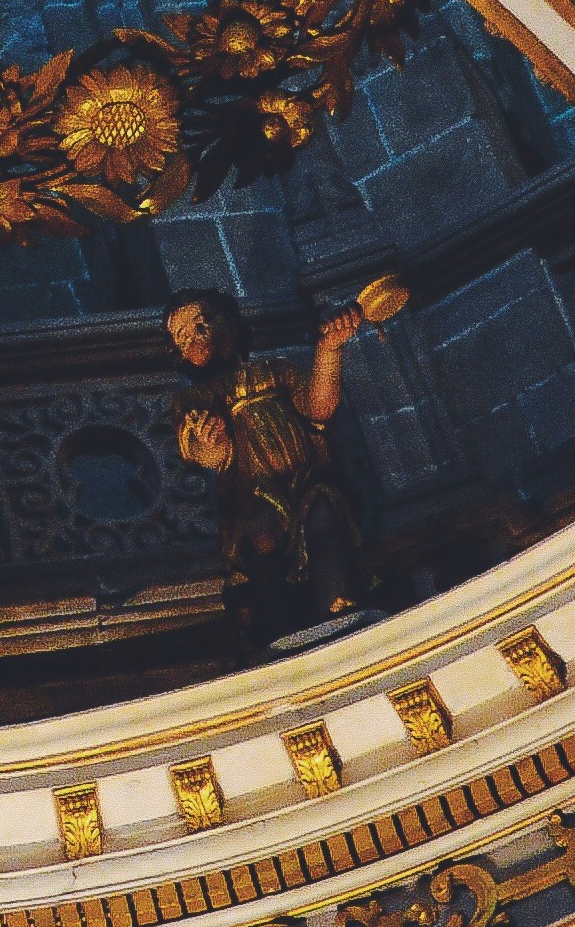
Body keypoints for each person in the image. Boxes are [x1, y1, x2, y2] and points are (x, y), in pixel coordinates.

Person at [171, 272, 412, 650]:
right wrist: (208, 444)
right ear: (181, 355)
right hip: (254, 490)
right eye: (184, 334)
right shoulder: (193, 400)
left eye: (204, 321)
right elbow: (202, 454)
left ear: (232, 322)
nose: (197, 334)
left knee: (322, 519)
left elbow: (318, 408)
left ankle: (340, 609)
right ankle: (280, 631)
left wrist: (330, 349)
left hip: (308, 476)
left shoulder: (277, 369)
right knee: (260, 530)